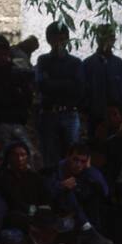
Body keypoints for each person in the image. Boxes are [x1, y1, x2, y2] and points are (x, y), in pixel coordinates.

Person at [36, 23, 86, 171]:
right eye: (54, 38)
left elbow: (78, 89)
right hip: (49, 113)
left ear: (67, 40)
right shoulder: (43, 60)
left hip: (70, 113)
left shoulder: (75, 62)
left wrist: (54, 83)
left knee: (72, 155)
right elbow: (42, 85)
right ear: (48, 40)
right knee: (50, 157)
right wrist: (66, 83)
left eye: (62, 38)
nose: (58, 42)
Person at [82, 24, 122, 134]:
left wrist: (120, 113)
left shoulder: (119, 64)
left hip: (118, 121)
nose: (107, 41)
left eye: (111, 38)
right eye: (104, 38)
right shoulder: (88, 64)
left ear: (114, 40)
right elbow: (83, 93)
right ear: (97, 39)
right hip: (94, 120)